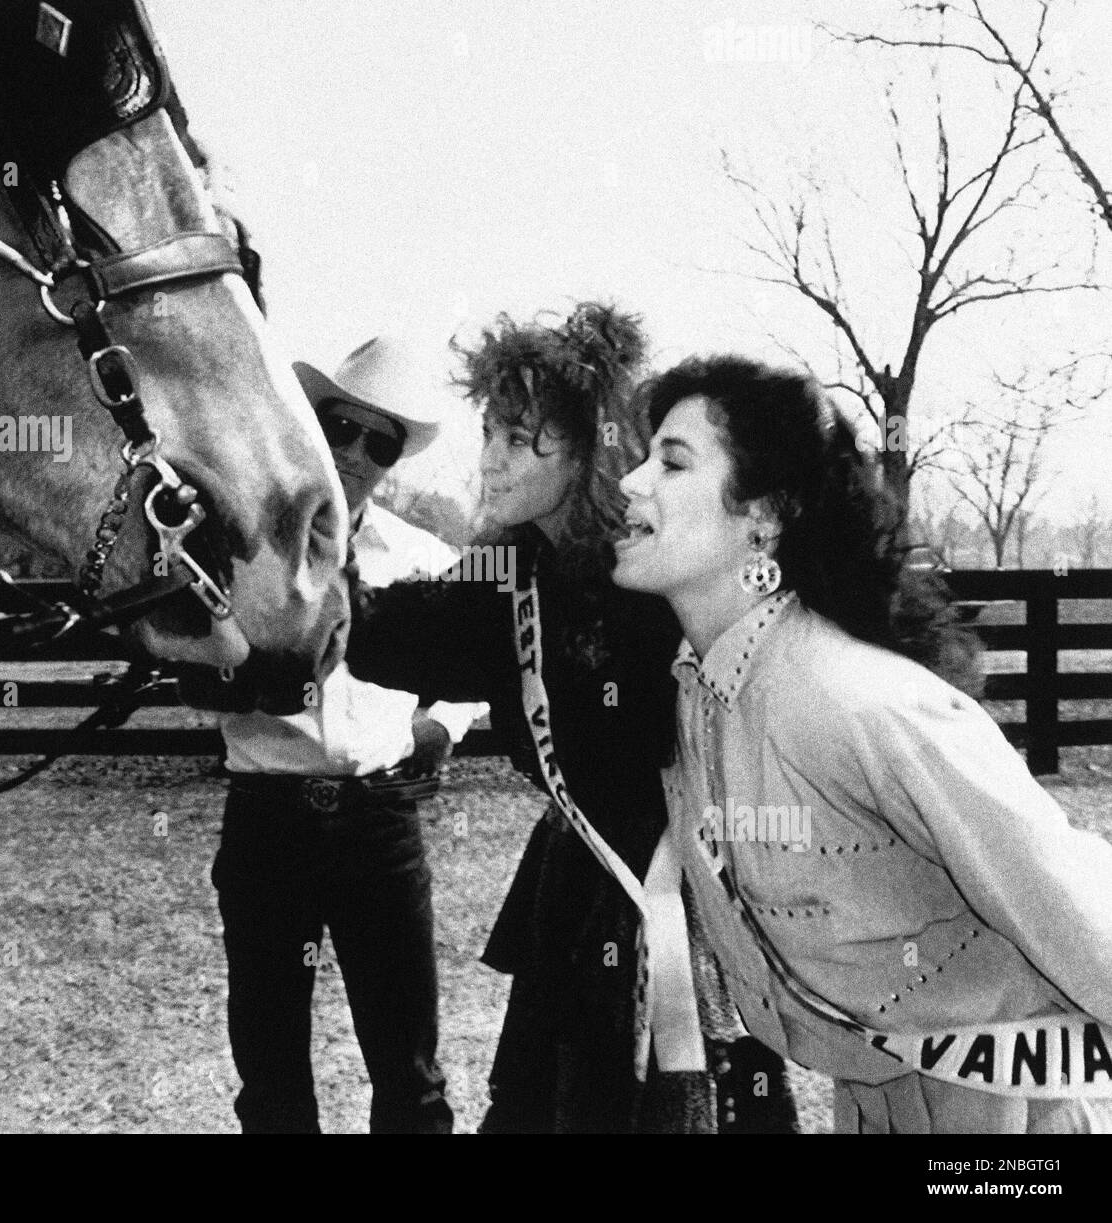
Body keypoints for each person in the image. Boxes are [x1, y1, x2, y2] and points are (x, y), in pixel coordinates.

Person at [613, 353, 1112, 1133]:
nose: (632, 482)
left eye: (671, 462)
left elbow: (1083, 917)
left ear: (764, 515)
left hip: (1022, 1119)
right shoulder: (693, 699)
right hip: (873, 1106)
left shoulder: (863, 705)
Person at [346, 304, 797, 1133]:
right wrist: (302, 559)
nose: (490, 462)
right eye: (488, 434)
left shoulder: (665, 560)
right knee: (543, 1100)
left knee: (700, 1101)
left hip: (691, 888)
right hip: (581, 879)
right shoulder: (504, 571)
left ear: (592, 445)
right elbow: (385, 637)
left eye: (519, 440)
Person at [201, 336, 456, 1134]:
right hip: (268, 815)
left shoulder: (423, 558)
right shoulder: (242, 554)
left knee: (409, 1068)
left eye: (377, 440)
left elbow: (481, 660)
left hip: (379, 821)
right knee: (272, 1073)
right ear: (309, 422)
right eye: (339, 425)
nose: (352, 450)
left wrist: (441, 722)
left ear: (392, 459)